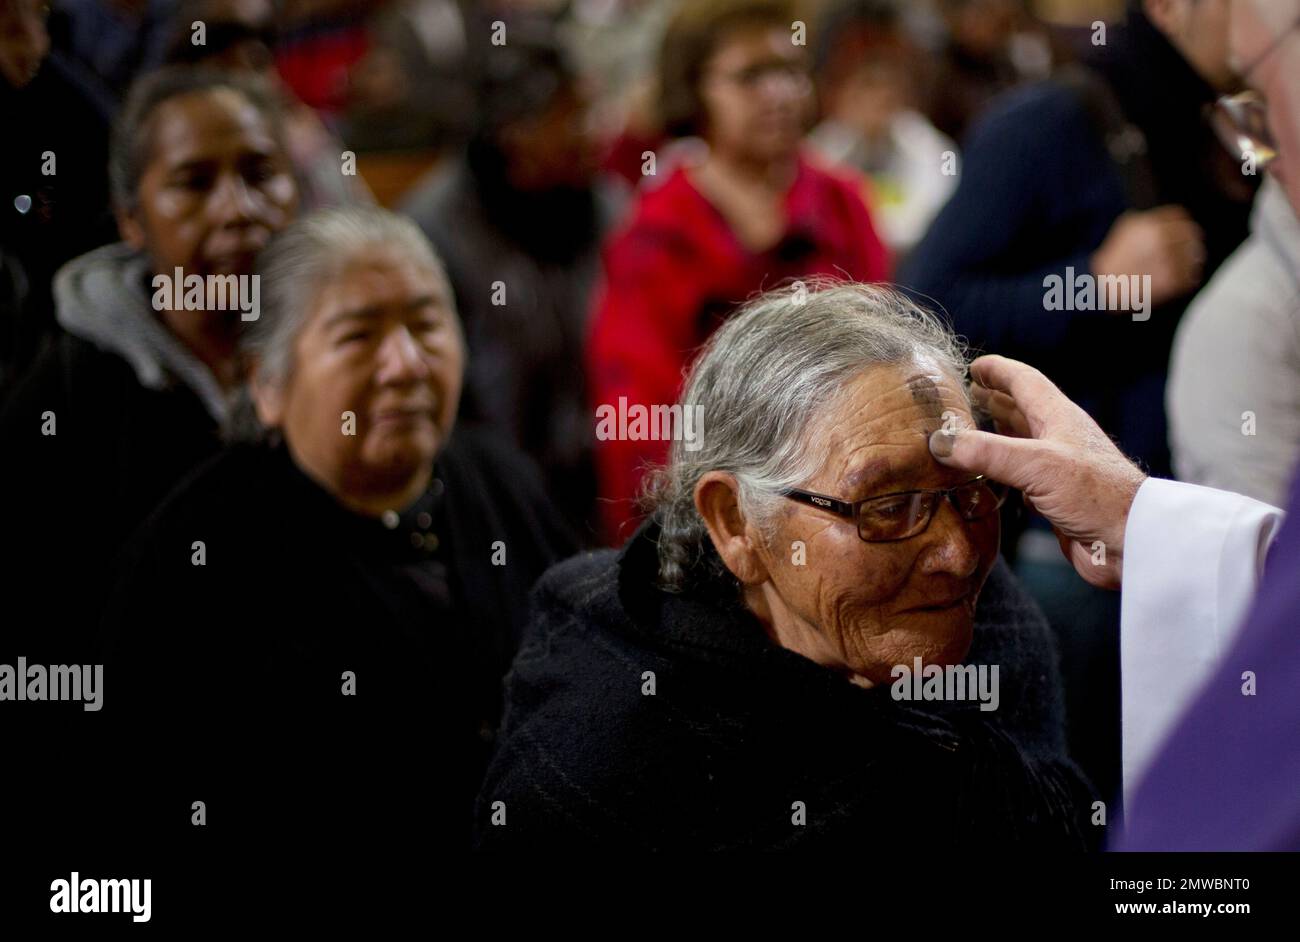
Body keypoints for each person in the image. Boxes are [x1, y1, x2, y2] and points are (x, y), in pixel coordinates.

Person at [478, 283, 1096, 851]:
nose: (959, 554)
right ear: (736, 523)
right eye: (886, 507)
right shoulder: (606, 756)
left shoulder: (978, 608)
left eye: (972, 487)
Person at [95, 207, 575, 852]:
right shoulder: (196, 554)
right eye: (359, 336)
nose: (405, 363)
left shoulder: (498, 479)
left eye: (427, 324)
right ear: (266, 380)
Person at [0, 66, 300, 663]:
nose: (238, 209)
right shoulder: (61, 402)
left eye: (260, 174)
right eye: (194, 182)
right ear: (132, 220)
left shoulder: (346, 357)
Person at [586, 0, 891, 544]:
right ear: (693, 90)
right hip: (715, 521)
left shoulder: (844, 203)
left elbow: (887, 354)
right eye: (751, 75)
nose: (779, 93)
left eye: (790, 71)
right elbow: (636, 420)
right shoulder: (655, 235)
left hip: (854, 499)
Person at [402, 17, 625, 539]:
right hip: (490, 510)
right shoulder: (432, 237)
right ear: (516, 131)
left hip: (604, 492)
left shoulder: (609, 207)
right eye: (575, 115)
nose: (597, 131)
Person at [807, 0, 958, 257]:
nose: (875, 103)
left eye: (884, 93)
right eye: (865, 91)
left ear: (900, 96)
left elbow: (929, 220)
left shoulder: (931, 147)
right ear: (842, 97)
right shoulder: (821, 147)